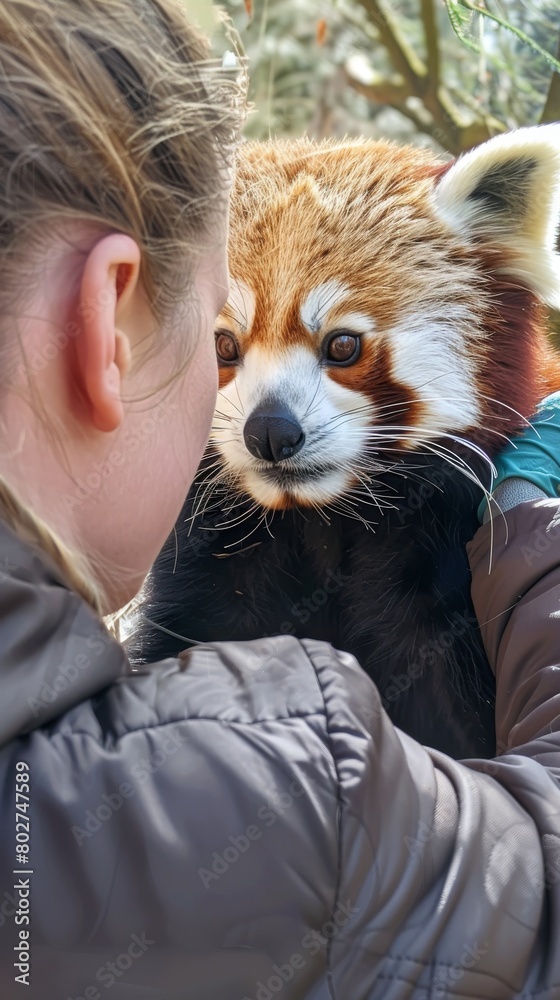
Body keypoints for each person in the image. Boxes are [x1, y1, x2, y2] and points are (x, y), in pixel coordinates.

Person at [0, 2, 559, 998]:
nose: (267, 413)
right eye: (224, 347)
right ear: (102, 320)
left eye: (340, 349)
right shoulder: (287, 792)